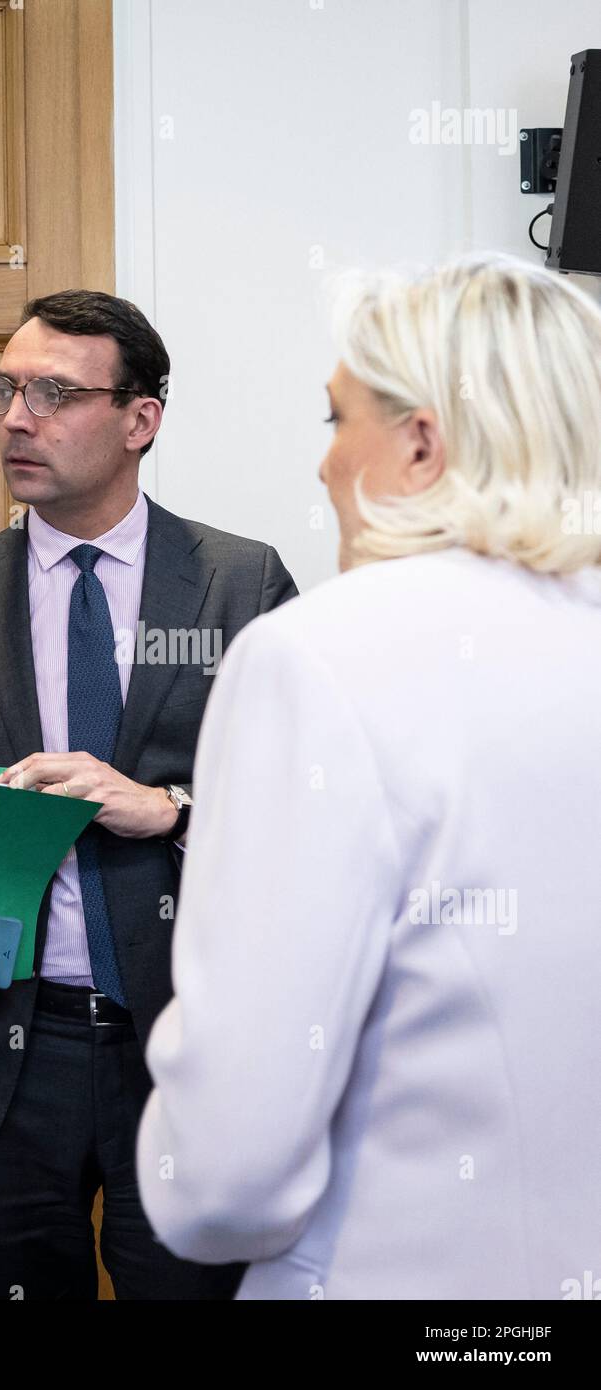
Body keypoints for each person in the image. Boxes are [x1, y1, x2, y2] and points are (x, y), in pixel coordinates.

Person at [135, 253, 601, 1300]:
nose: (321, 465)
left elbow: (224, 1172)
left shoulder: (317, 658)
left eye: (334, 420)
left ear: (422, 444)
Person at [0, 288, 298, 1300]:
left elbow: (305, 819)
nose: (16, 418)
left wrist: (171, 808)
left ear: (139, 420)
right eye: (6, 390)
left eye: (54, 393)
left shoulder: (239, 585)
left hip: (184, 1054)